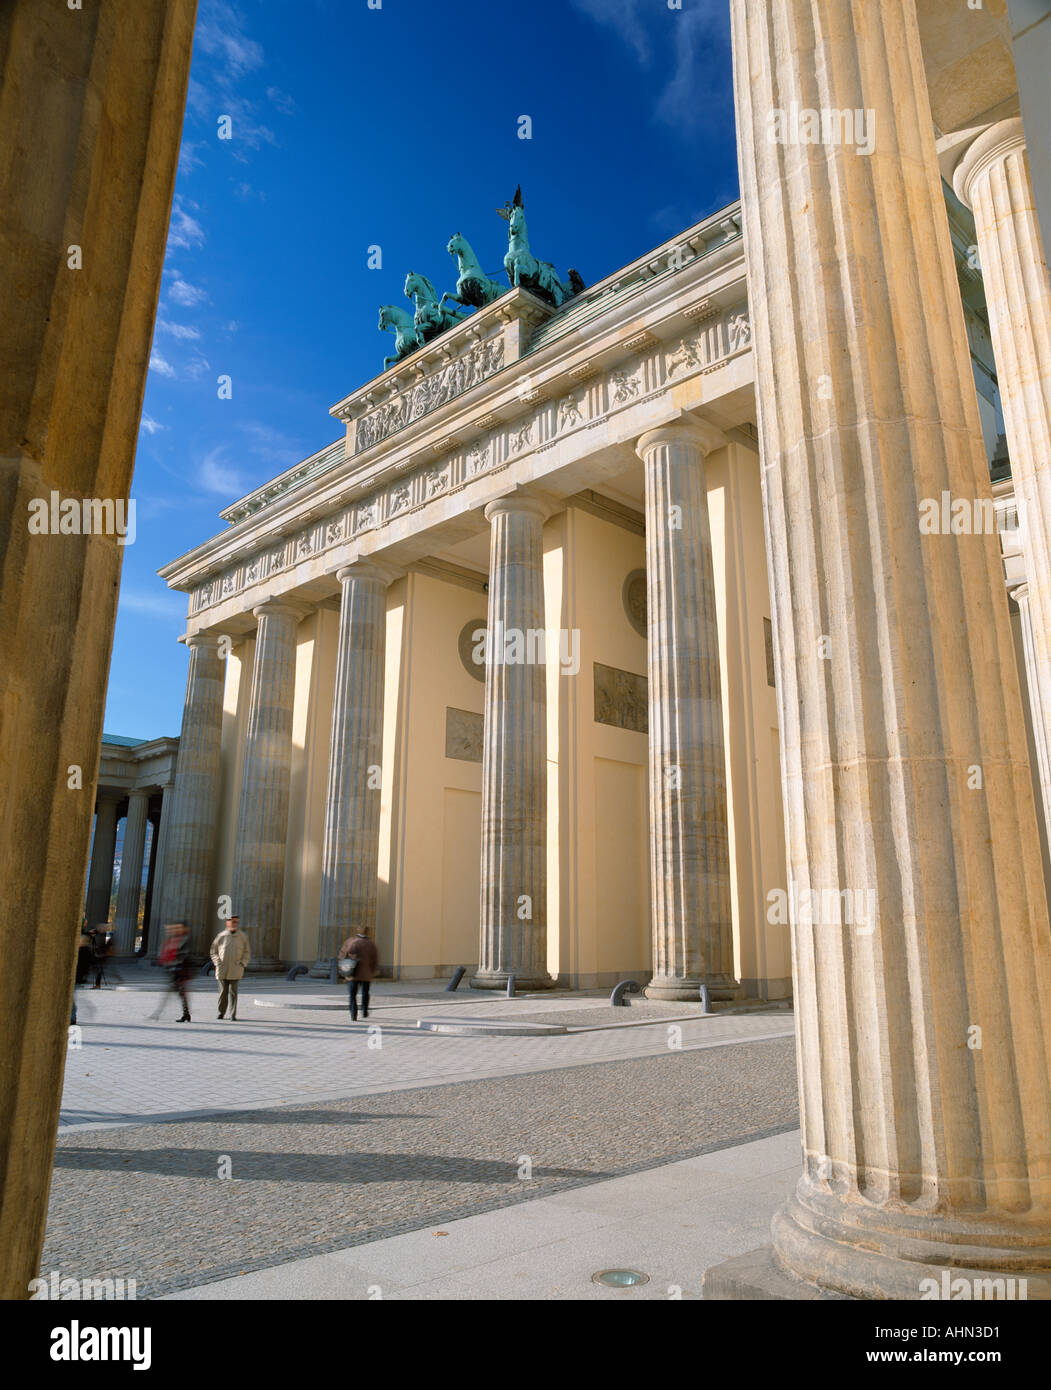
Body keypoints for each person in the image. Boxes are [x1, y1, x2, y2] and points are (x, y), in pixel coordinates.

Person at [210, 916, 250, 1020]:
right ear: (227, 924)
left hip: (236, 969)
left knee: (233, 993)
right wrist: (217, 962)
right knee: (222, 992)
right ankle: (221, 1012)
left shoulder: (242, 936)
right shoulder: (221, 936)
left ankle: (232, 1014)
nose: (234, 924)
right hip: (222, 968)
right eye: (232, 922)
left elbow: (247, 952)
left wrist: (243, 963)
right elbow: (213, 951)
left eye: (236, 922)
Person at [337, 926, 379, 1022]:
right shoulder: (371, 944)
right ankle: (364, 1011)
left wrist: (343, 968)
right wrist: (372, 971)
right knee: (365, 993)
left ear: (358, 931)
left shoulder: (350, 941)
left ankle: (353, 1014)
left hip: (353, 972)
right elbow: (375, 959)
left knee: (352, 994)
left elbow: (342, 955)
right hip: (366, 973)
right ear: (367, 932)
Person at [157, 923, 194, 1022]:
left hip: (180, 971)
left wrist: (174, 961)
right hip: (174, 970)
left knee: (178, 993)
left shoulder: (184, 940)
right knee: (180, 993)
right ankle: (186, 1014)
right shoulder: (173, 939)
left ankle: (185, 1014)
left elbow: (182, 955)